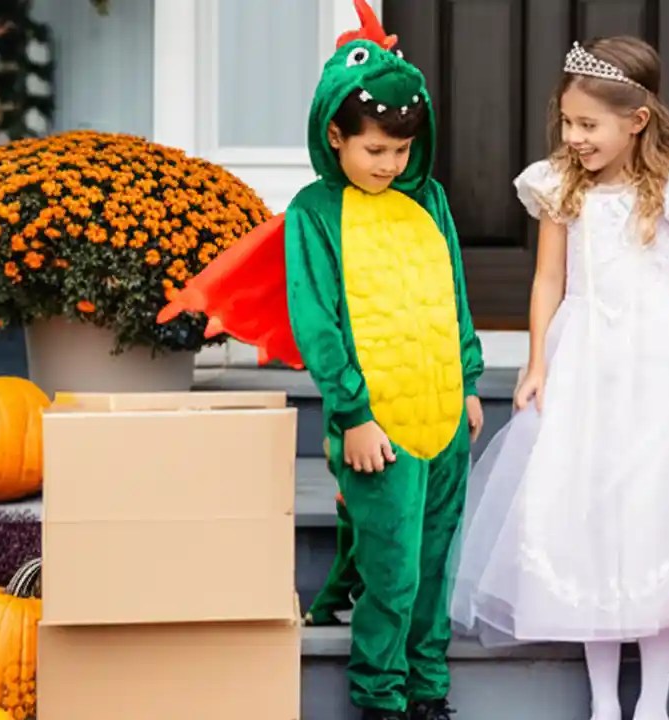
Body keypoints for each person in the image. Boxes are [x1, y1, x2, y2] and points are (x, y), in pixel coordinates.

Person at [447, 36, 669, 720]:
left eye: (588, 125)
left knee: (654, 516)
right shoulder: (560, 187)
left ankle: (654, 703)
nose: (574, 138)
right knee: (588, 521)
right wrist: (537, 361)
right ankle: (606, 701)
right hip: (584, 362)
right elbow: (550, 278)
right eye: (568, 123)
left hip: (661, 364)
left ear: (635, 120)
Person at [157, 2, 483, 718]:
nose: (389, 165)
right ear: (335, 134)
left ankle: (429, 689)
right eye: (374, 151)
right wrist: (353, 414)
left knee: (434, 565)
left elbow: (451, 288)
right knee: (392, 570)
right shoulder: (315, 213)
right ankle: (380, 695)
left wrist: (469, 381)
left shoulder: (427, 199)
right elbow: (320, 323)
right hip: (379, 428)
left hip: (444, 416)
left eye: (400, 151)